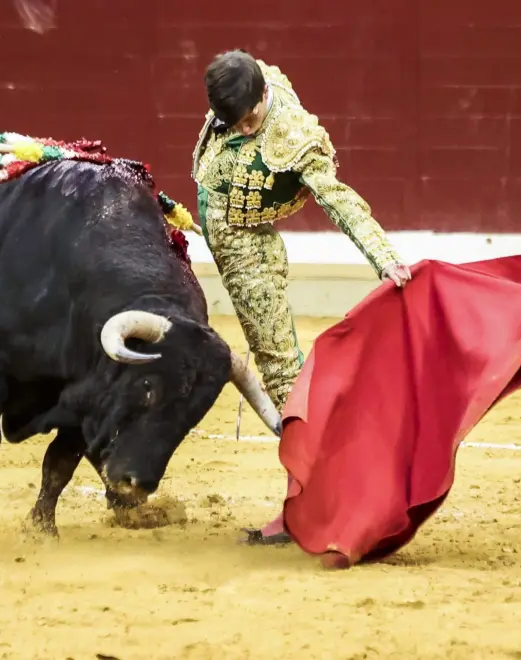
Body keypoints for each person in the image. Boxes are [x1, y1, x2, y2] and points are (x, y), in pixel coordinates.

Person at [190, 50, 413, 545]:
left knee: (282, 374)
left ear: (264, 97)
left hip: (250, 253)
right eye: (234, 122)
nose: (246, 130)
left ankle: (318, 499)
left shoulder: (295, 137)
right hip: (215, 225)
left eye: (251, 119)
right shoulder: (242, 82)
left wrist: (383, 257)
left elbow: (340, 200)